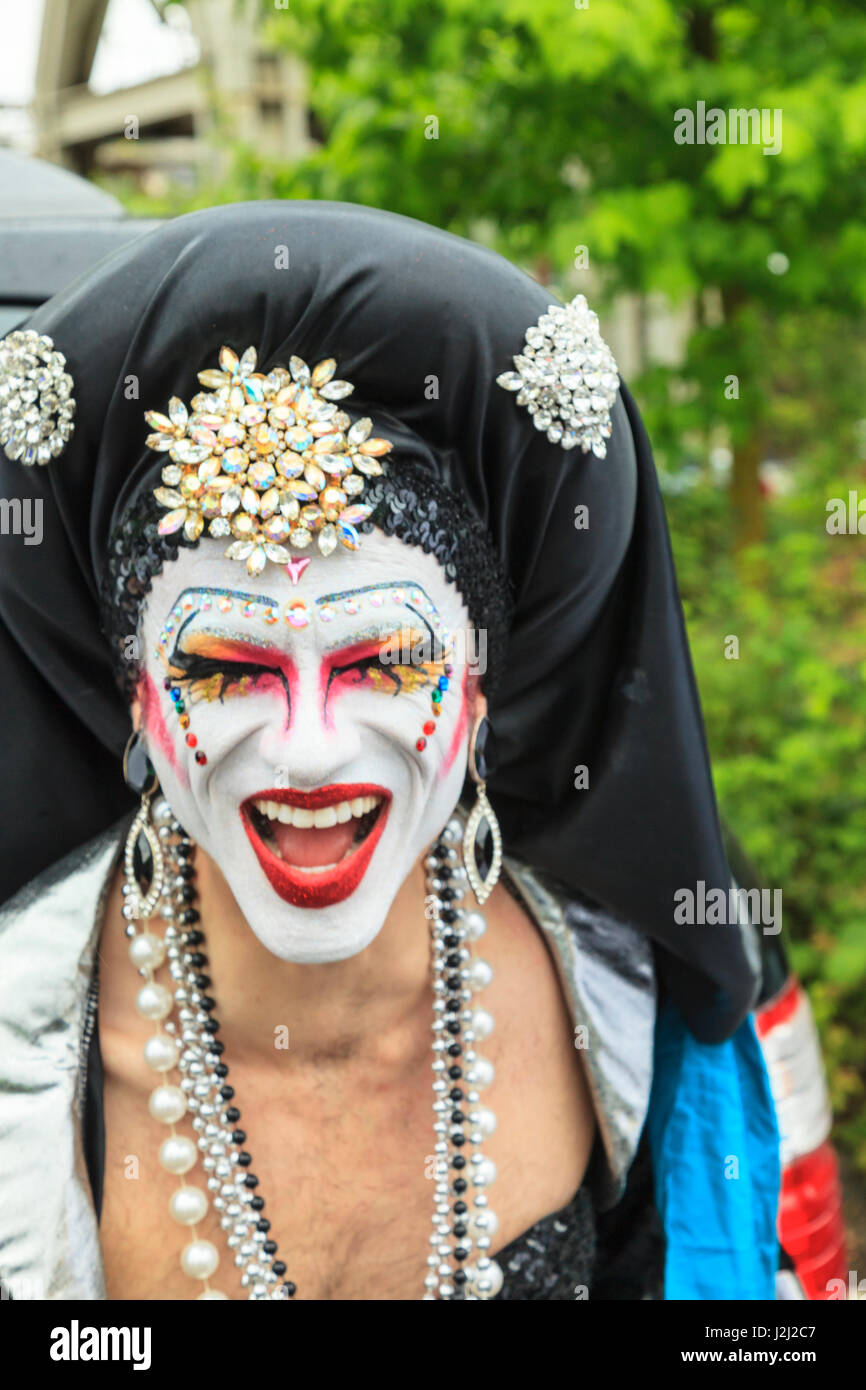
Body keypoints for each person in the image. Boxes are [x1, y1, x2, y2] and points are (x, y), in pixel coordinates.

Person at [0, 201, 780, 1301]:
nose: (310, 752)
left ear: (475, 695)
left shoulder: (629, 1014)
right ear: (134, 697)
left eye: (382, 664)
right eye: (226, 669)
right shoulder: (23, 1063)